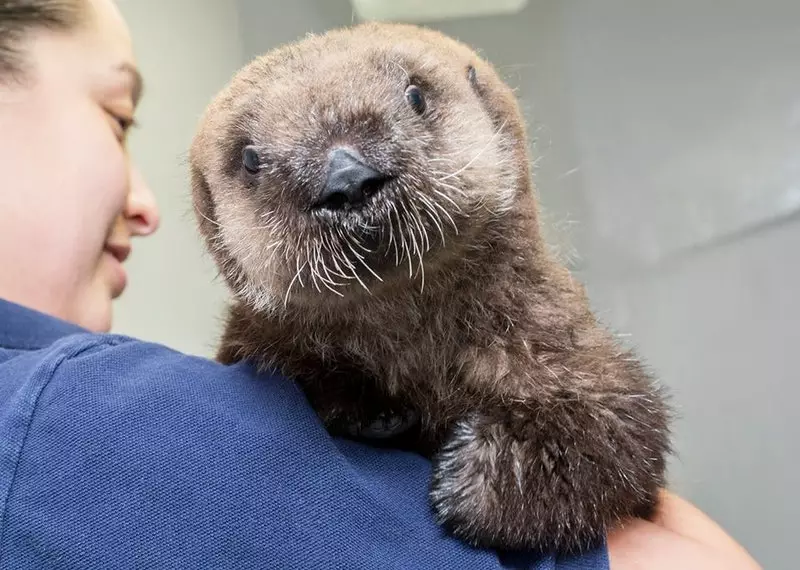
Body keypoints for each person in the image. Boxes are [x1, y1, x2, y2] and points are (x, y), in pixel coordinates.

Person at [0, 0, 761, 568]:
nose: (344, 174)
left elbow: (615, 429)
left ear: (493, 115)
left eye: (418, 105)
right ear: (216, 224)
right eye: (116, 117)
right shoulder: (68, 429)